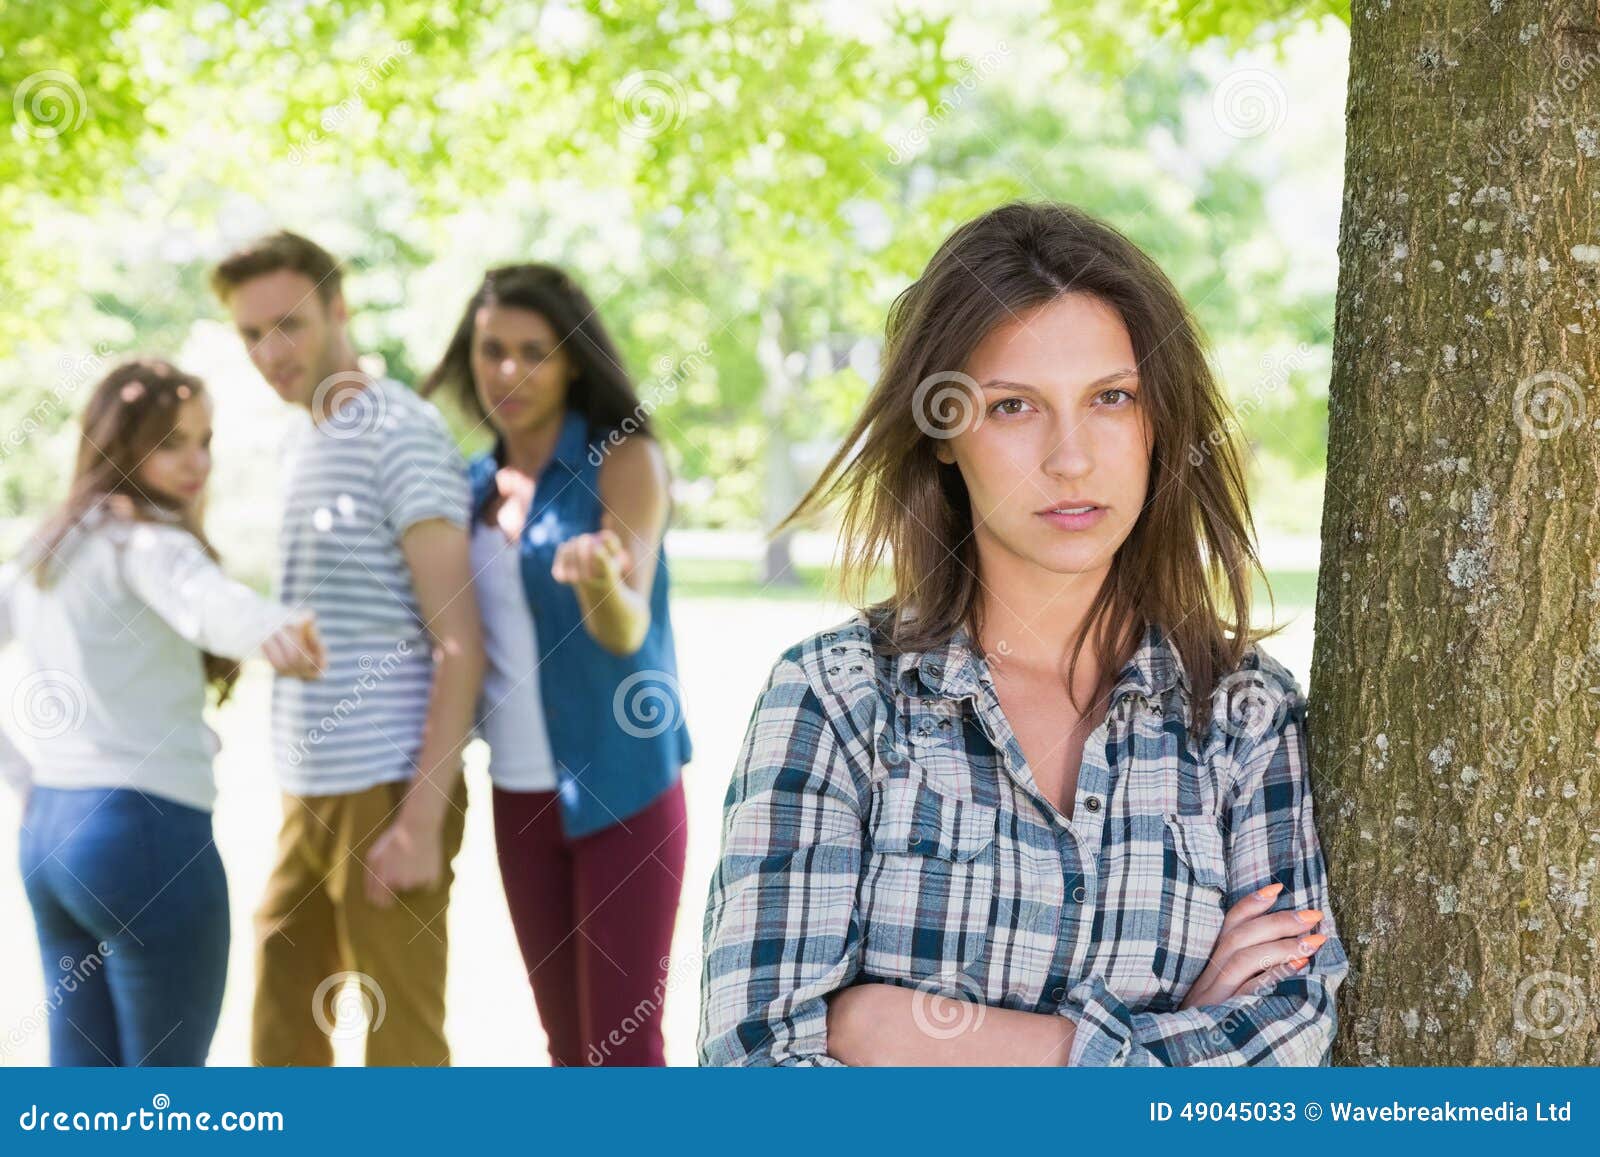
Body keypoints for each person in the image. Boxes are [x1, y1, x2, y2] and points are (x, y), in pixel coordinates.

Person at [698, 201, 1348, 1066]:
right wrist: (1167, 1040)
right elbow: (755, 1068)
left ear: (1158, 422)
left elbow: (1285, 1046)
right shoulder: (836, 701)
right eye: (1012, 407)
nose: (1070, 457)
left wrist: (887, 1031)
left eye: (1111, 398)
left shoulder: (1244, 711)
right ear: (941, 433)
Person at [0, 357, 325, 1066]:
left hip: (52, 838)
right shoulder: (148, 542)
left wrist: (23, 776)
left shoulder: (45, 550)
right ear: (118, 442)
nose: (196, 462)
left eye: (204, 439)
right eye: (171, 441)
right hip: (143, 836)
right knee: (165, 1102)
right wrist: (279, 629)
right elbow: (210, 604)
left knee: (83, 1096)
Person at [211, 231, 484, 1066]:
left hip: (390, 782)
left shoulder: (395, 429)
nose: (270, 351)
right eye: (252, 334)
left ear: (339, 307)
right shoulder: (310, 439)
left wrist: (419, 817)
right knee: (284, 1020)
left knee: (400, 1037)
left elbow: (460, 640)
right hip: (313, 785)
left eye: (288, 324)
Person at [423, 263, 692, 1066]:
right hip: (521, 795)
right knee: (564, 1043)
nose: (508, 371)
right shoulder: (470, 486)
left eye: (533, 351)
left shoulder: (625, 460)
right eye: (492, 350)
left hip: (624, 786)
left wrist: (601, 580)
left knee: (623, 1046)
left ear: (573, 358)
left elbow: (627, 628)